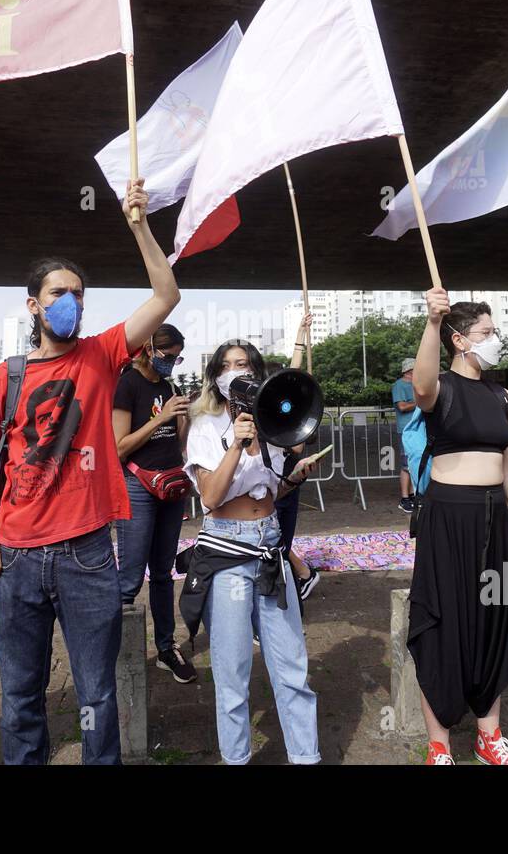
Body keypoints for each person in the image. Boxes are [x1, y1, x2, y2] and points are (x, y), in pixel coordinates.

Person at [0, 179, 178, 765]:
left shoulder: (102, 353)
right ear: (32, 304)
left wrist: (139, 224)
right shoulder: (5, 377)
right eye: (59, 293)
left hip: (87, 555)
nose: (72, 303)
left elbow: (165, 295)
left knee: (97, 694)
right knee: (19, 697)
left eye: (80, 295)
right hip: (14, 557)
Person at [405, 294, 508, 766]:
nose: (495, 340)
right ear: (460, 340)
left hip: (495, 523)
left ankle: (490, 737)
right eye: (487, 333)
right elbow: (421, 386)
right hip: (448, 518)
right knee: (444, 622)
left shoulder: (503, 397)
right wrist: (431, 321)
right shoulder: (439, 387)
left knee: (495, 620)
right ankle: (439, 744)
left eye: (494, 332)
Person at [180, 340, 321, 765]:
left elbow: (269, 491)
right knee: (233, 671)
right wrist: (236, 446)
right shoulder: (206, 426)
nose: (233, 371)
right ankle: (237, 758)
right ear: (216, 378)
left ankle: (306, 757)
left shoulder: (272, 426)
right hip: (226, 554)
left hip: (269, 547)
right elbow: (210, 496)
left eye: (242, 364)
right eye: (224, 366)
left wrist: (294, 479)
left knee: (292, 666)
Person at [112, 322, 196, 683]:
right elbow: (119, 446)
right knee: (130, 577)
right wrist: (160, 418)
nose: (172, 363)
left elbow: (176, 442)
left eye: (178, 358)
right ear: (149, 348)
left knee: (163, 573)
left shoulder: (169, 386)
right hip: (137, 486)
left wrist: (183, 419)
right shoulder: (127, 384)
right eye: (168, 356)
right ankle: (115, 654)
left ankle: (165, 648)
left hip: (170, 486)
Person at [271, 315, 319, 603]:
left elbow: (298, 450)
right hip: (270, 486)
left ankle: (297, 581)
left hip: (288, 483)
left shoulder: (290, 411)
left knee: (279, 541)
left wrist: (301, 335)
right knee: (270, 542)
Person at [393, 356, 419, 513]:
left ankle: (411, 495)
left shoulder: (415, 385)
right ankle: (404, 498)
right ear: (410, 371)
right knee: (406, 464)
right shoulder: (399, 386)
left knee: (412, 462)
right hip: (406, 429)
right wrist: (421, 402)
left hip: (416, 428)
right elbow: (402, 406)